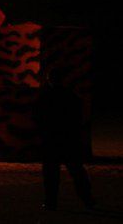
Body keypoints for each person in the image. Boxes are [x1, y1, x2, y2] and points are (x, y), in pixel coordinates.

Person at [39, 67, 95, 211]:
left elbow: (39, 118)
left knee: (51, 174)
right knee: (77, 171)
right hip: (69, 139)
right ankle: (88, 200)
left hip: (51, 140)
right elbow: (79, 119)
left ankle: (50, 202)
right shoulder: (73, 97)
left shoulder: (46, 97)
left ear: (49, 80)